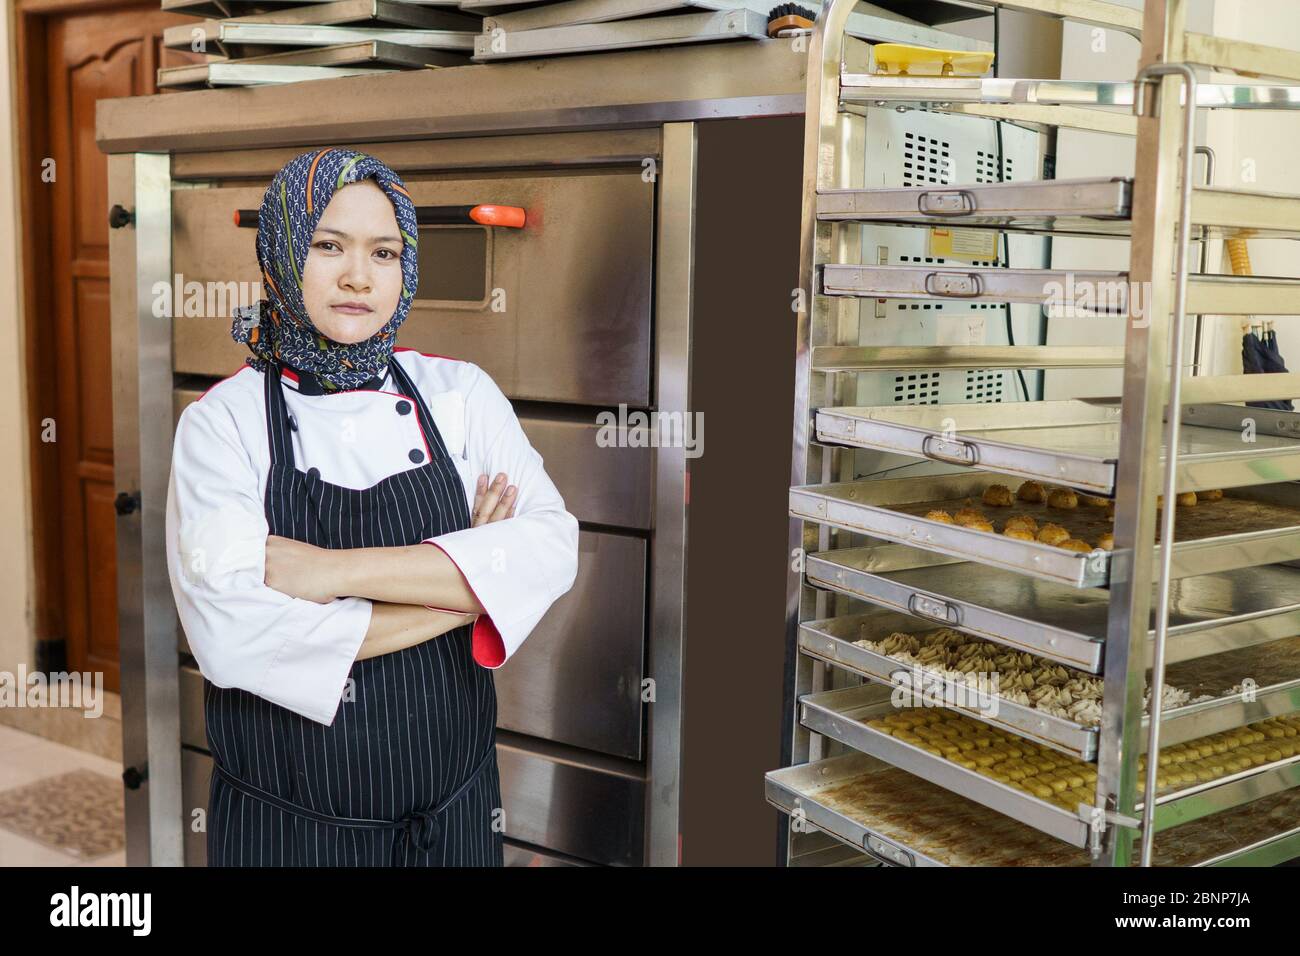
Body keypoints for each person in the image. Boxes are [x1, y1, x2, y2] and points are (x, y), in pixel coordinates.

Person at [164, 147, 579, 866]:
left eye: (384, 252)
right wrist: (470, 595)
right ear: (280, 256)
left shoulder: (459, 395)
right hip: (292, 835)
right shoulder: (222, 423)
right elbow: (233, 638)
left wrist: (328, 572)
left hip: (455, 817)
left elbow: (550, 549)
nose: (359, 276)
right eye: (328, 246)